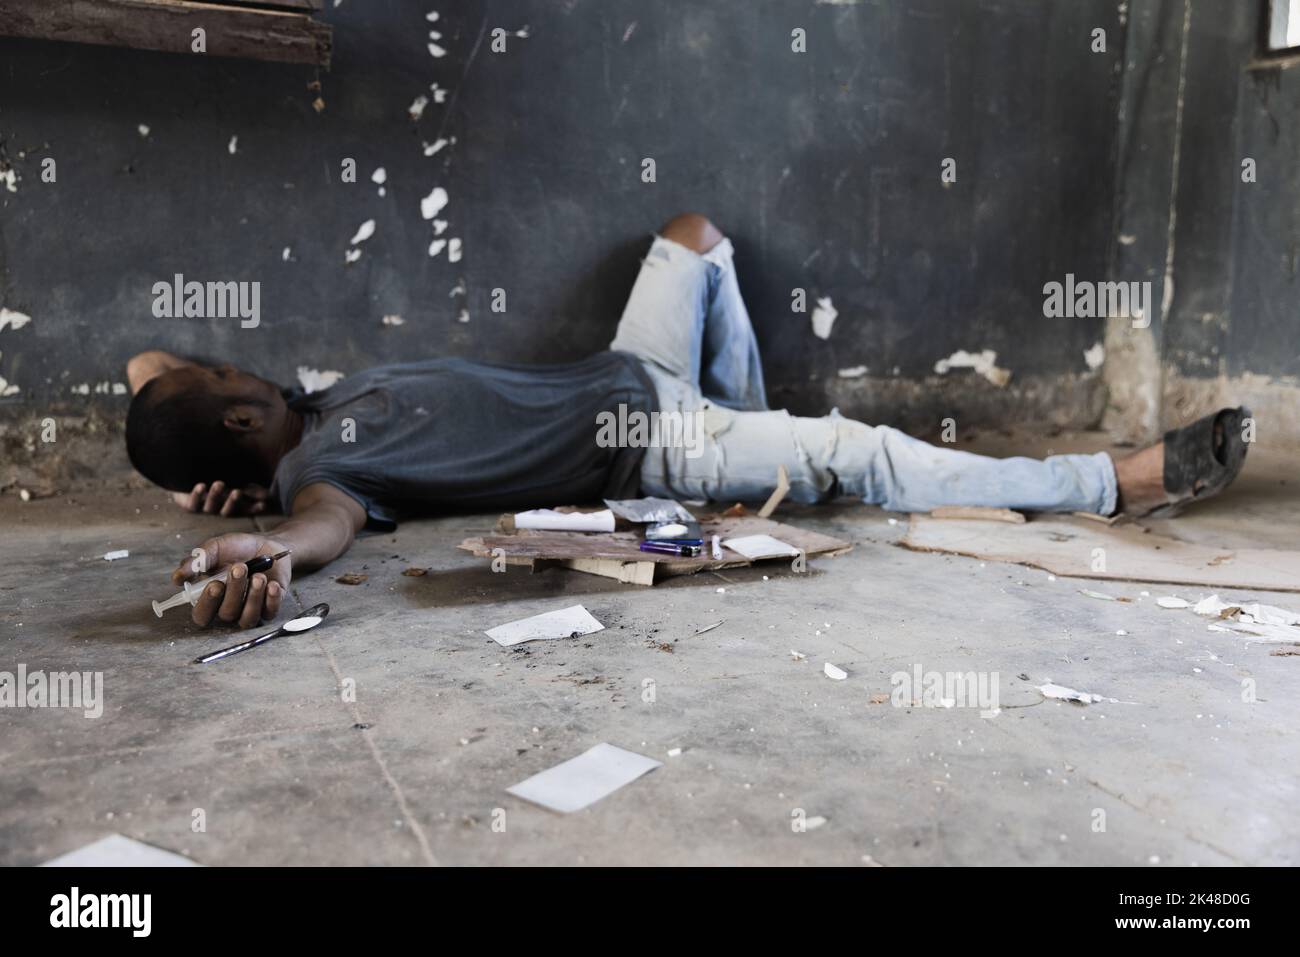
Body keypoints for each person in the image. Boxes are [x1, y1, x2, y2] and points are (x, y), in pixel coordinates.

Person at [125, 214, 1250, 629]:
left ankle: (752, 435)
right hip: (649, 443)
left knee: (694, 236)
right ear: (235, 413)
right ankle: (1114, 482)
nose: (237, 361)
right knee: (858, 450)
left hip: (634, 369)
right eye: (230, 371)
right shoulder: (326, 473)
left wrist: (193, 474)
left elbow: (152, 368)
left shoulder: (300, 410)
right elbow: (320, 531)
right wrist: (268, 542)